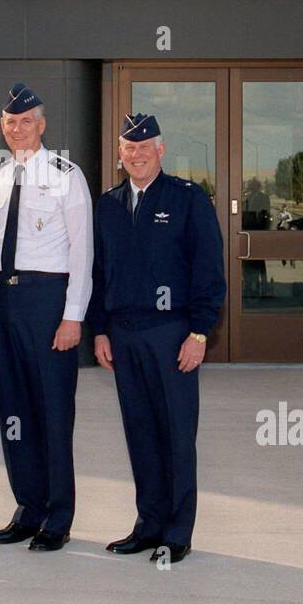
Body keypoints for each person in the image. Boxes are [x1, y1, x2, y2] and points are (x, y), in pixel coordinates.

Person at [87, 113, 226, 564]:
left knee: (177, 433)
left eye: (145, 147)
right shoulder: (107, 204)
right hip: (124, 335)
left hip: (172, 333)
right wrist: (101, 329)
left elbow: (208, 271)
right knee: (140, 432)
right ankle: (147, 525)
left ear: (161, 151)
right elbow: (99, 272)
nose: (137, 154)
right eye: (129, 148)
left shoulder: (187, 199)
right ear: (120, 154)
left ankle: (177, 531)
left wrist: (199, 332)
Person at [0, 82, 92, 552]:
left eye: (26, 121)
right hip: (6, 303)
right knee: (15, 410)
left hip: (49, 302)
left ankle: (58, 517)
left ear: (42, 126)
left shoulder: (68, 175)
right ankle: (27, 508)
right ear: (3, 129)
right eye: (10, 123)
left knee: (51, 410)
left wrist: (73, 317)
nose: (18, 129)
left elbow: (82, 253)